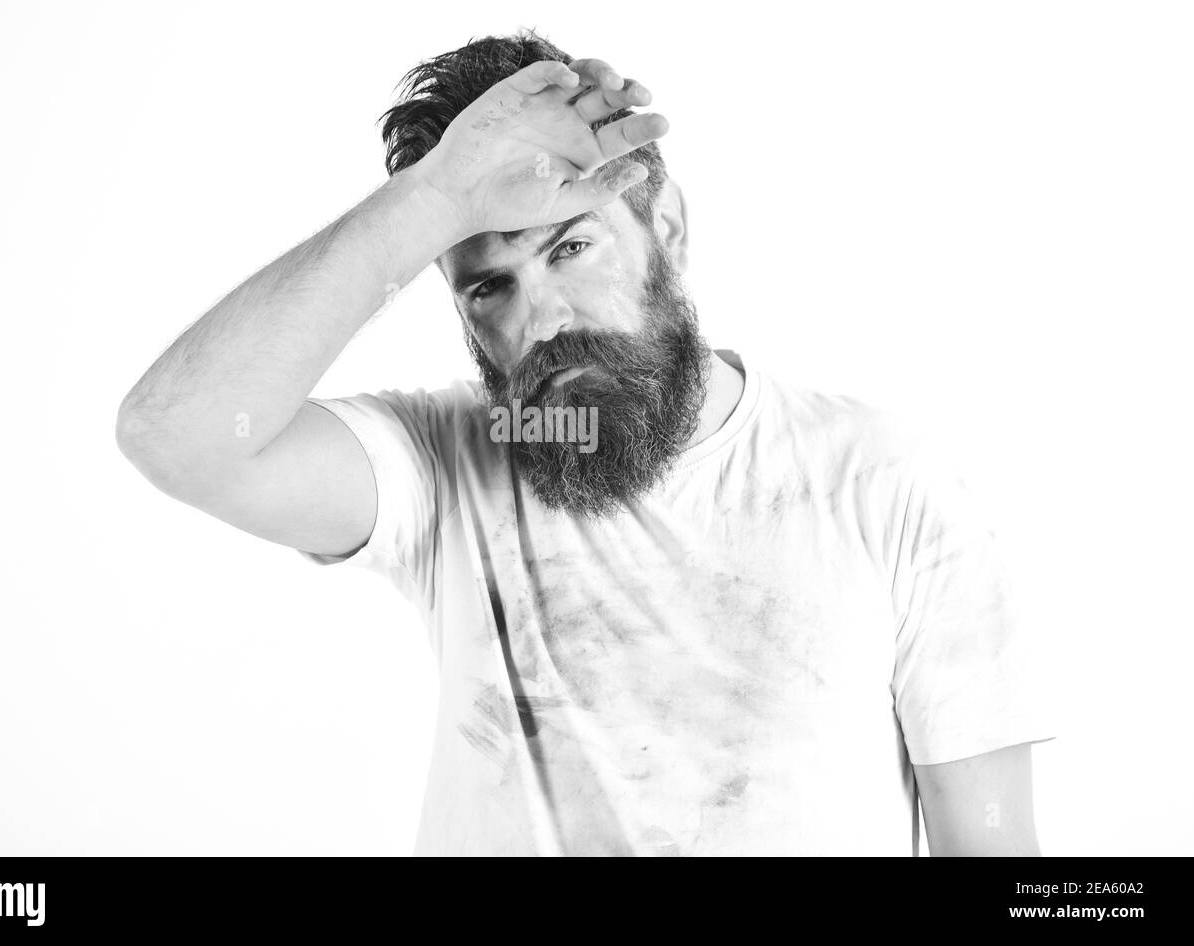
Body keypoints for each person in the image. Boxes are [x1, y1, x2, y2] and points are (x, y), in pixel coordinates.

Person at [116, 30, 1055, 856]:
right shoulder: (452, 461)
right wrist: (434, 199)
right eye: (490, 286)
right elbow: (181, 435)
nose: (542, 322)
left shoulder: (883, 479)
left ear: (669, 230)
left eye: (570, 249)